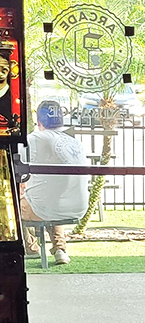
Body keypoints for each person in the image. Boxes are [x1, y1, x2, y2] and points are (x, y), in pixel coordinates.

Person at [20, 100, 88, 265]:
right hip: (79, 207)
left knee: (11, 208)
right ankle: (60, 250)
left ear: (39, 122)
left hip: (45, 208)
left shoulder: (35, 138)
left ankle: (31, 248)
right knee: (50, 198)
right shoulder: (74, 141)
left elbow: (18, 164)